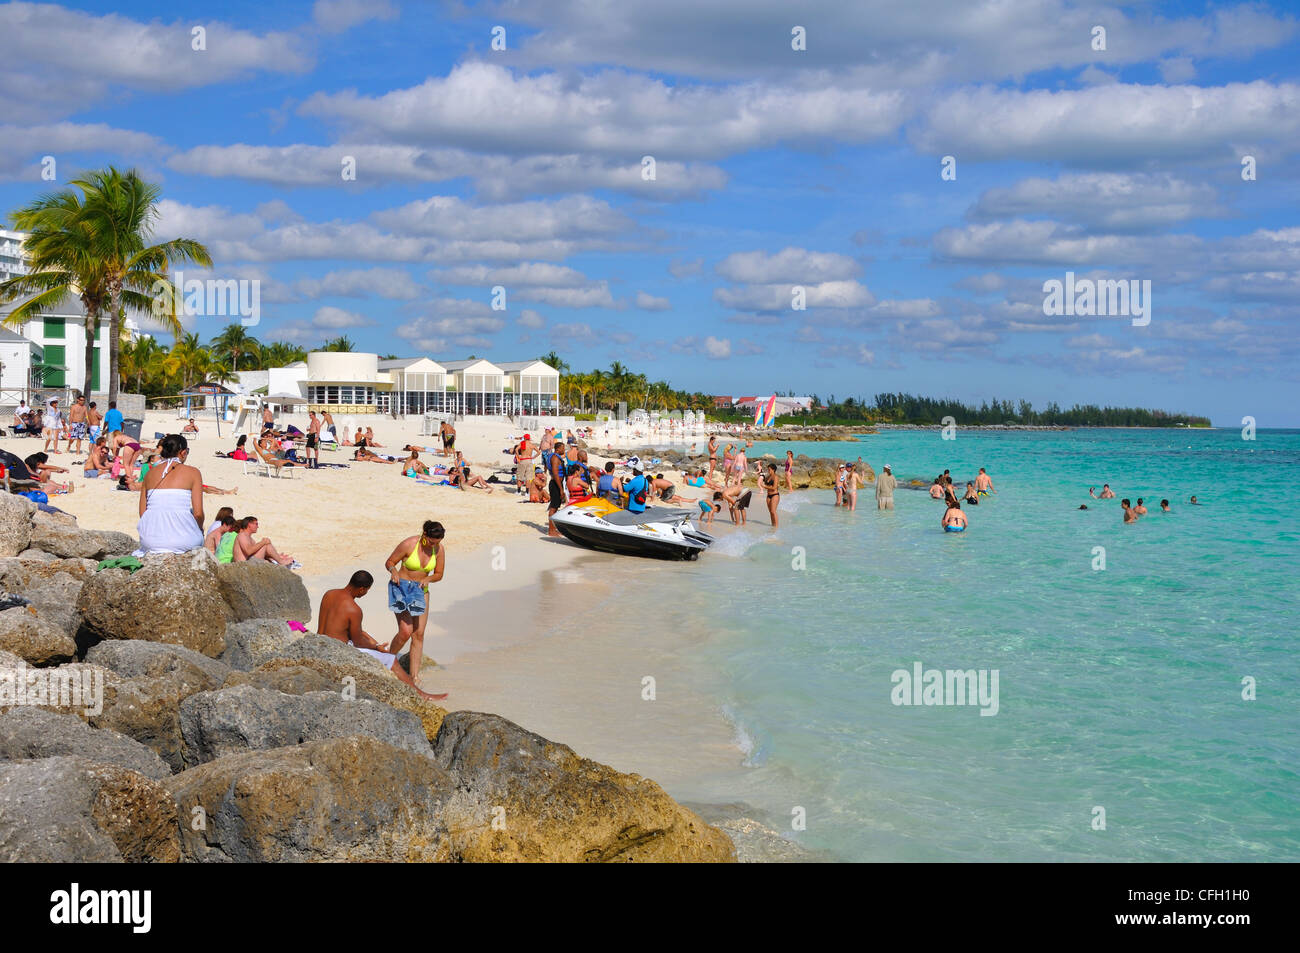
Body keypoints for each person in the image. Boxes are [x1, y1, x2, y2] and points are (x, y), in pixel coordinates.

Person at [318, 569, 445, 700]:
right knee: (391, 659)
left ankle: (382, 650)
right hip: (340, 649)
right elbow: (358, 642)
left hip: (321, 642)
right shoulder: (354, 609)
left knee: (365, 635)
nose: (365, 593)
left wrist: (375, 643)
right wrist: (377, 648)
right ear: (362, 589)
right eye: (367, 590)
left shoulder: (329, 594)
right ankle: (422, 695)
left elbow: (337, 627)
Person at [383, 521, 446, 687]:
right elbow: (389, 562)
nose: (435, 545)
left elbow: (439, 574)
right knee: (405, 631)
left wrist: (428, 578)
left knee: (418, 634)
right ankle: (388, 659)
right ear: (424, 534)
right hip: (401, 589)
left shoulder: (439, 549)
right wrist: (394, 571)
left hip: (421, 592)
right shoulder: (409, 544)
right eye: (432, 542)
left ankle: (414, 676)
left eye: (437, 542)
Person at [133, 434, 204, 555]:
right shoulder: (193, 472)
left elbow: (143, 513)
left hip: (150, 541)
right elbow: (198, 514)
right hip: (183, 541)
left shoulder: (150, 474)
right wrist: (199, 529)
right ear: (183, 452)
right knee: (198, 538)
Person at [234, 515, 299, 567]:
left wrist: (275, 556)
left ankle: (279, 559)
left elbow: (256, 552)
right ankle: (281, 561)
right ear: (249, 524)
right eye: (256, 524)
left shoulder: (250, 538)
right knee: (265, 545)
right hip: (243, 565)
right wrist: (262, 542)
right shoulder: (242, 535)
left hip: (248, 562)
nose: (257, 526)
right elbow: (248, 551)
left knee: (266, 547)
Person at [545, 441, 569, 536]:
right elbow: (555, 473)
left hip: (556, 483)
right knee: (553, 507)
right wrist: (561, 489)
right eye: (563, 448)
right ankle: (551, 530)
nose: (564, 450)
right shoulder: (555, 458)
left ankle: (553, 528)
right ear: (558, 449)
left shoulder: (553, 456)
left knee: (556, 506)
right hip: (555, 484)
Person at [761, 462, 780, 528]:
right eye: (768, 469)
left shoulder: (776, 477)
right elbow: (765, 483)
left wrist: (765, 487)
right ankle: (773, 525)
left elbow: (774, 487)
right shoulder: (768, 477)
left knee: (773, 511)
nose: (768, 470)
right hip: (768, 496)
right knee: (770, 512)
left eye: (769, 469)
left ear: (773, 469)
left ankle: (777, 526)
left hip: (775, 495)